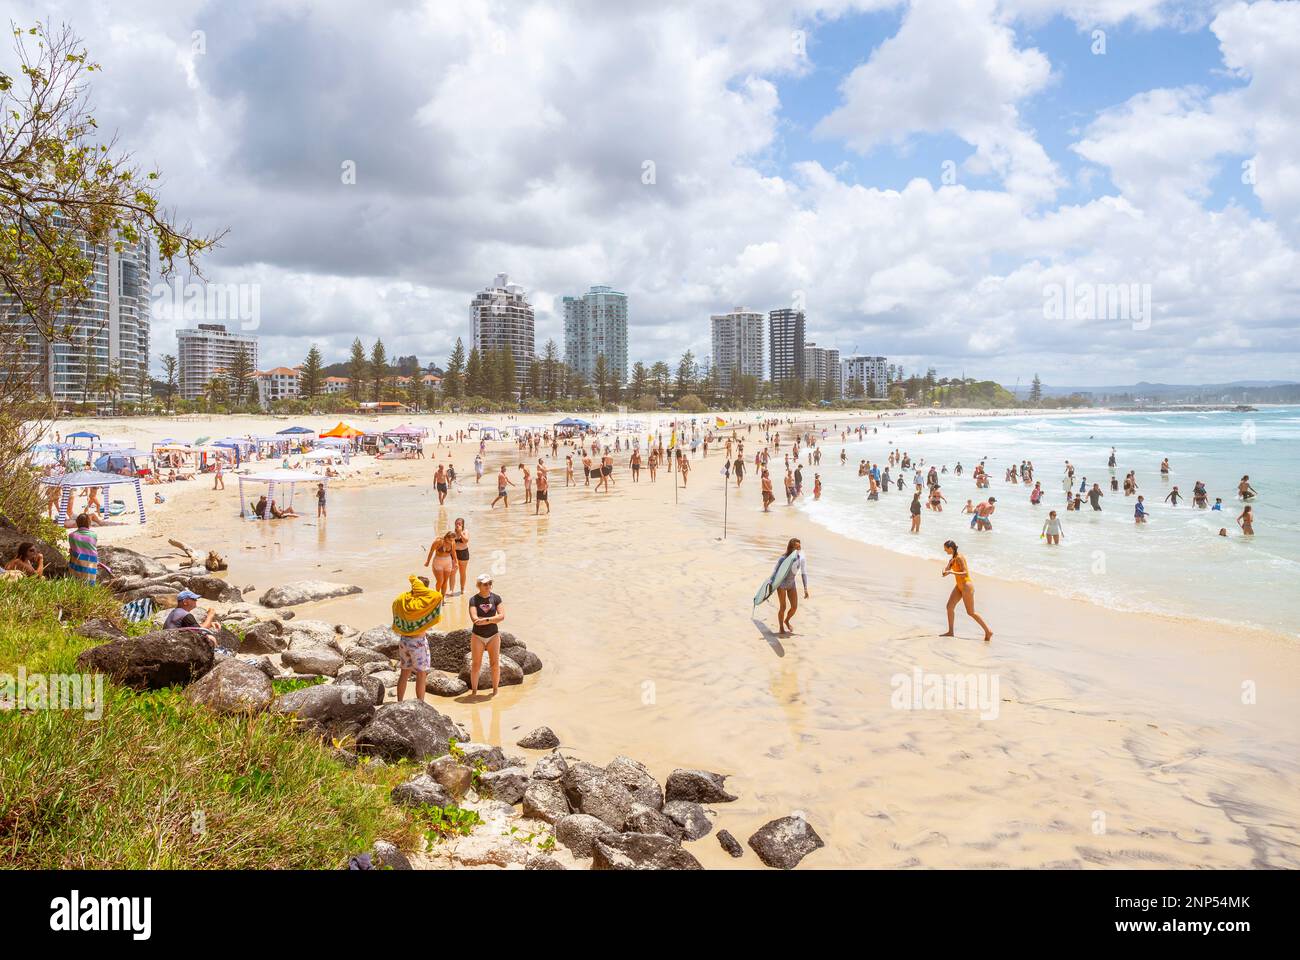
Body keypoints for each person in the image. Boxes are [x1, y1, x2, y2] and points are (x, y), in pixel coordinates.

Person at [392, 574, 443, 703]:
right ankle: (421, 704)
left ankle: (399, 702)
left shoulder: (403, 599)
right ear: (425, 588)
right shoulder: (424, 602)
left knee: (404, 673)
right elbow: (438, 596)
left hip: (404, 641)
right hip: (418, 643)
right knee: (421, 674)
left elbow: (394, 606)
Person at [940, 540, 992, 642]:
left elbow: (965, 573)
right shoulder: (953, 559)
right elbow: (944, 574)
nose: (945, 551)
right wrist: (947, 567)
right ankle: (950, 632)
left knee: (971, 612)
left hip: (966, 586)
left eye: (946, 549)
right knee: (949, 607)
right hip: (959, 586)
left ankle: (988, 631)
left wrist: (951, 571)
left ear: (951, 548)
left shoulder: (959, 558)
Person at [467, 574, 505, 697]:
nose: (488, 586)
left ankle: (495, 691)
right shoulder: (474, 600)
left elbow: (502, 616)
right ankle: (474, 692)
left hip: (493, 635)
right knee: (476, 664)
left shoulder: (496, 598)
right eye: (485, 584)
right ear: (479, 585)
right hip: (477, 635)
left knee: (494, 664)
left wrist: (487, 620)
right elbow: (475, 619)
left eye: (489, 583)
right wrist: (493, 619)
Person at [769, 537, 809, 635]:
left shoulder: (801, 559)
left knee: (794, 607)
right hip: (781, 585)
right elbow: (775, 571)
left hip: (791, 584)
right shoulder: (783, 558)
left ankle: (786, 620)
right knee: (783, 607)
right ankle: (781, 627)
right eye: (796, 547)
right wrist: (770, 583)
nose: (798, 549)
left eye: (799, 547)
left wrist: (805, 588)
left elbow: (804, 573)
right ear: (791, 548)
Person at [67, 514, 98, 585]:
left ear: (77, 523)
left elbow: (72, 549)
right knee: (90, 584)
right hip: (91, 565)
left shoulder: (72, 535)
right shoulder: (94, 535)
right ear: (89, 523)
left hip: (77, 565)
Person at [452, 518, 470, 594]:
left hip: (463, 553)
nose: (457, 525)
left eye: (459, 524)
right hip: (454, 553)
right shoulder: (452, 533)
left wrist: (460, 533)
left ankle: (462, 589)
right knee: (452, 572)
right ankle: (451, 590)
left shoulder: (465, 531)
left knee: (462, 572)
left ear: (462, 524)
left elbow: (466, 540)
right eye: (456, 523)